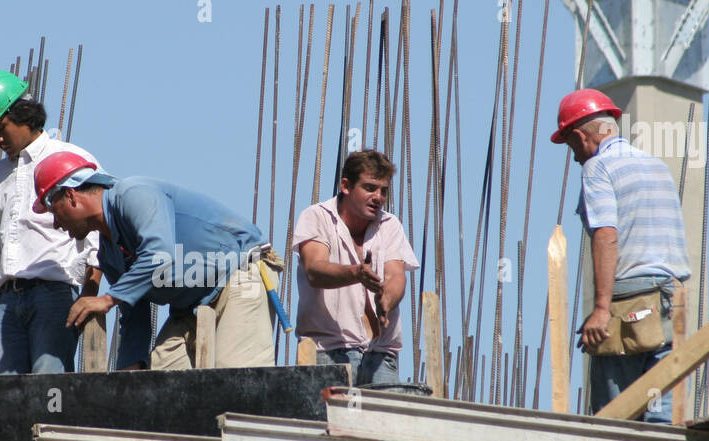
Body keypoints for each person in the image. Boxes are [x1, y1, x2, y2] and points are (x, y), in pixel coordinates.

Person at [33, 152, 277, 371]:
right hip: (190, 305)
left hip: (240, 275)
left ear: (70, 195)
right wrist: (129, 371)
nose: (56, 224)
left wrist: (107, 299)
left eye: (54, 211)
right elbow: (134, 315)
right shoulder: (109, 255)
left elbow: (159, 255)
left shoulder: (133, 193)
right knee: (160, 379)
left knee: (236, 378)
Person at [0, 70, 104, 374]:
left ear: (24, 115)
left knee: (48, 383)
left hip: (55, 295)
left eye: (1, 128)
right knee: (8, 392)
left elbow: (97, 235)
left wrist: (88, 296)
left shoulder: (71, 159)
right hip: (6, 302)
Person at [554, 88, 692, 423]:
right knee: (663, 412)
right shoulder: (656, 166)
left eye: (572, 147)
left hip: (631, 298)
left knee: (614, 417)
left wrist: (602, 309)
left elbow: (606, 235)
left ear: (579, 136)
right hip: (672, 297)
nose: (575, 158)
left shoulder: (598, 167)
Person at [291, 149, 419, 385]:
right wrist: (356, 273)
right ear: (346, 186)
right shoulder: (318, 217)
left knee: (383, 411)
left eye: (383, 191)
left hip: (381, 356)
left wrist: (386, 301)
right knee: (329, 411)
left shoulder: (390, 225)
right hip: (329, 352)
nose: (378, 197)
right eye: (370, 188)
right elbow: (315, 270)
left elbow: (396, 276)